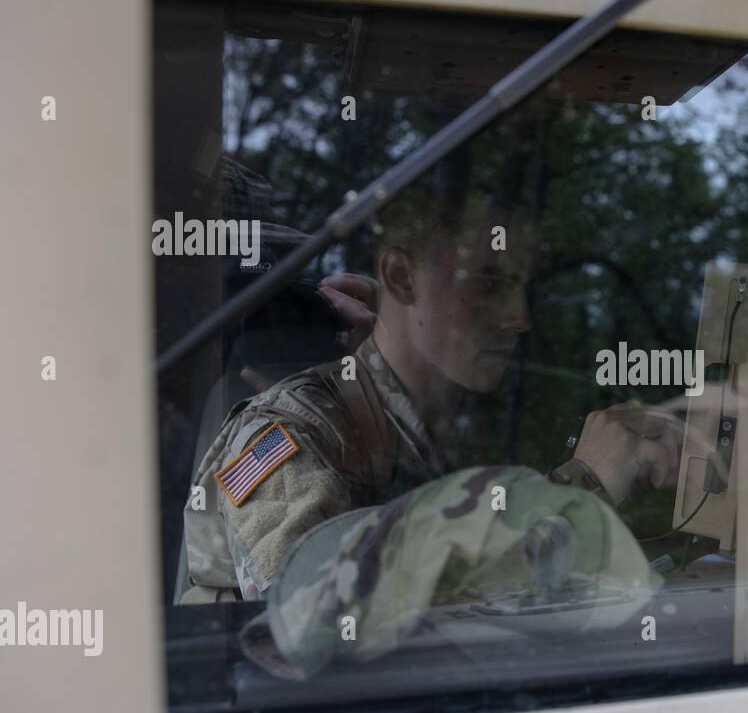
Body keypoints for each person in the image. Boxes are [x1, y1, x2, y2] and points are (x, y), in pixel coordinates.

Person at [180, 187, 683, 604]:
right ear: (400, 277)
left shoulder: (459, 425)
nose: (519, 316)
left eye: (525, 287)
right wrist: (584, 485)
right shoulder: (289, 431)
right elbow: (318, 606)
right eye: (489, 283)